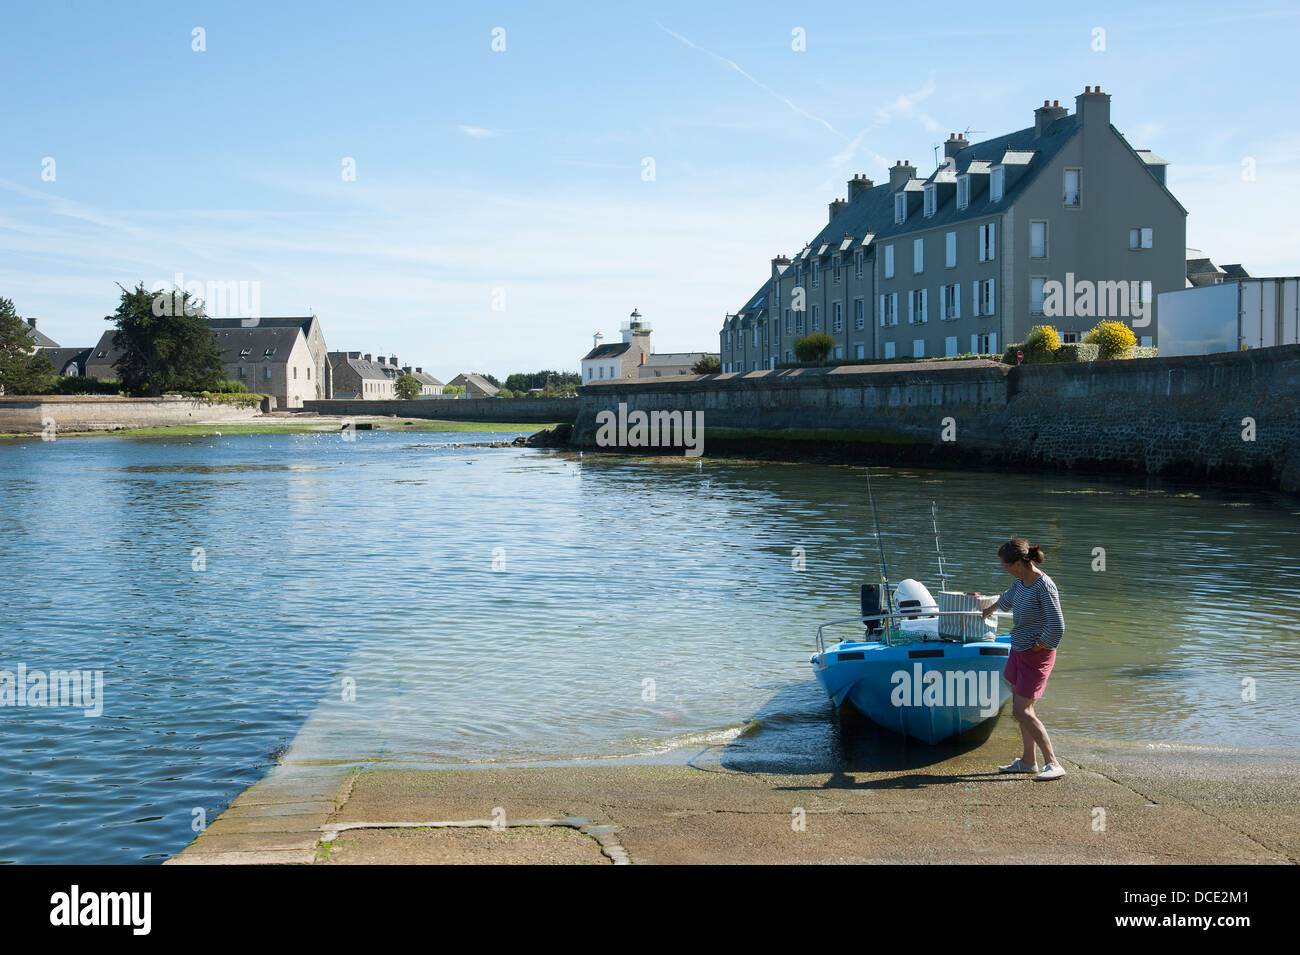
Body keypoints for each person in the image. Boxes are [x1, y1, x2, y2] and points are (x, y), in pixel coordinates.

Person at [981, 538, 1066, 781]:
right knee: (1022, 709)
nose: (1005, 570)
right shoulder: (1020, 582)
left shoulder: (1044, 587)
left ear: (1019, 562)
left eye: (1006, 566)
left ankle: (1053, 763)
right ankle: (1029, 761)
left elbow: (1057, 627)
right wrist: (990, 609)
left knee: (1022, 710)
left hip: (1036, 655)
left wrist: (1039, 645)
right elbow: (1006, 599)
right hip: (1018, 649)